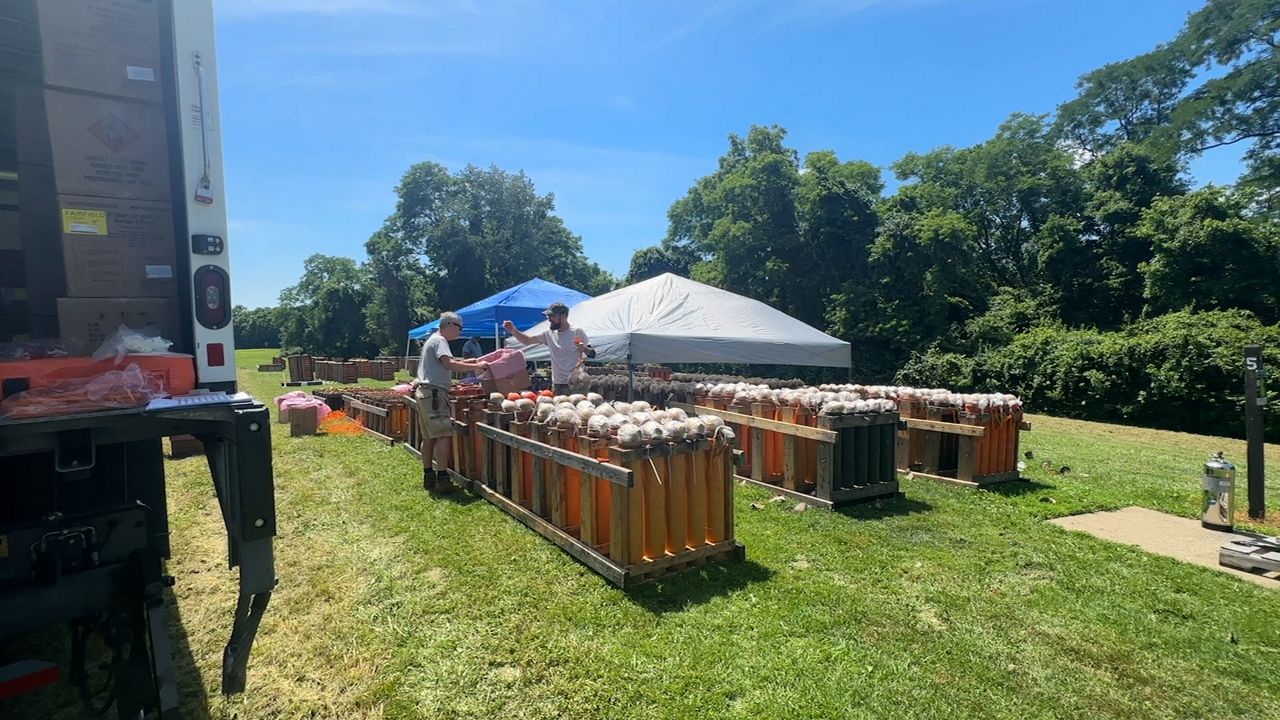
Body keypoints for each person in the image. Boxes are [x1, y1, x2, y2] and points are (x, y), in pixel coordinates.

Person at [414, 311, 488, 494]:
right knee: (443, 435)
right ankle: (443, 479)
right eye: (459, 328)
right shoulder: (440, 341)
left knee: (429, 437)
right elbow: (449, 364)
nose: (460, 332)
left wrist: (471, 361)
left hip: (426, 394)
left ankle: (429, 475)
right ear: (449, 325)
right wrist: (476, 366)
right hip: (434, 395)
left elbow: (449, 362)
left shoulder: (432, 340)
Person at [504, 302, 595, 395]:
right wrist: (513, 330)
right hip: (557, 383)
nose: (549, 319)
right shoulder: (548, 333)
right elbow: (527, 340)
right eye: (548, 316)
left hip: (576, 383)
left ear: (564, 316)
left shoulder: (577, 331)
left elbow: (592, 354)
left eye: (552, 316)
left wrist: (583, 348)